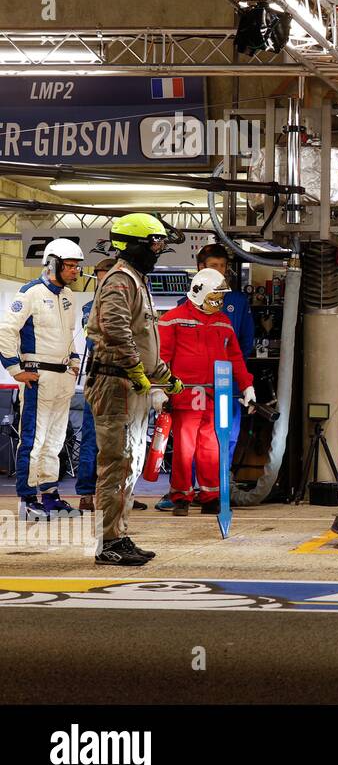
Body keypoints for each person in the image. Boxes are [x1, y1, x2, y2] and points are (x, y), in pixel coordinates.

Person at [84, 213, 183, 566]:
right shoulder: (120, 281)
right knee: (117, 463)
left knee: (131, 463)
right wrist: (138, 370)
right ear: (134, 245)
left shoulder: (136, 281)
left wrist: (164, 376)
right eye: (154, 243)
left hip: (130, 383)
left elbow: (143, 339)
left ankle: (118, 535)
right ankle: (108, 542)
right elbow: (115, 329)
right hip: (116, 384)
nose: (158, 250)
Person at [157, 269, 257, 516]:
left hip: (216, 395)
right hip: (185, 395)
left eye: (220, 299)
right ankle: (181, 496)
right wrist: (158, 390)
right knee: (184, 447)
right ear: (199, 292)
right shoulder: (173, 319)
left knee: (211, 446)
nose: (219, 303)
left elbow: (234, 357)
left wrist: (247, 386)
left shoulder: (223, 322)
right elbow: (161, 357)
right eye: (214, 297)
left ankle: (210, 494)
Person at [0, 238, 85, 520]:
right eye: (70, 266)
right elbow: (5, 332)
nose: (75, 271)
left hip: (62, 378)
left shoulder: (69, 296)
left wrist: (74, 361)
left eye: (76, 266)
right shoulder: (30, 293)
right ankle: (27, 499)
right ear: (53, 264)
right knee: (33, 440)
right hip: (38, 376)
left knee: (56, 439)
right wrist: (14, 369)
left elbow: (69, 336)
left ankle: (50, 496)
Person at [76, 257, 116, 512]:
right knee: (92, 437)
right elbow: (94, 342)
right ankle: (86, 493)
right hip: (98, 377)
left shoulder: (129, 307)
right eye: (100, 279)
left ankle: (116, 492)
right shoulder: (89, 309)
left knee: (121, 440)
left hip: (124, 378)